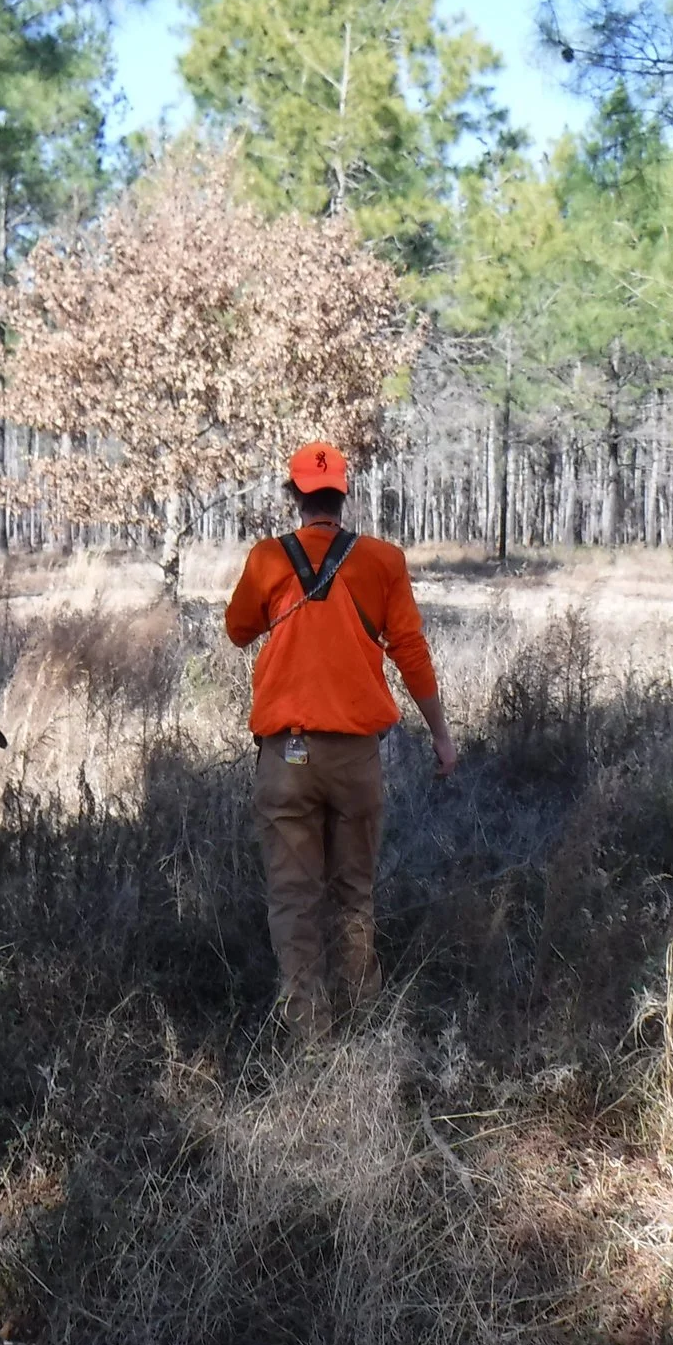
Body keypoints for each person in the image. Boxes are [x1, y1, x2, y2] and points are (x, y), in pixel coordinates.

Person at [224, 442, 457, 1043]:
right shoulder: (383, 560)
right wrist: (440, 735)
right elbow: (410, 652)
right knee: (353, 893)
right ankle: (365, 1026)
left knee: (293, 897)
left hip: (287, 757)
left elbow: (236, 630)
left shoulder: (267, 559)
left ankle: (311, 1040)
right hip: (356, 759)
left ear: (294, 496)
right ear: (342, 493)